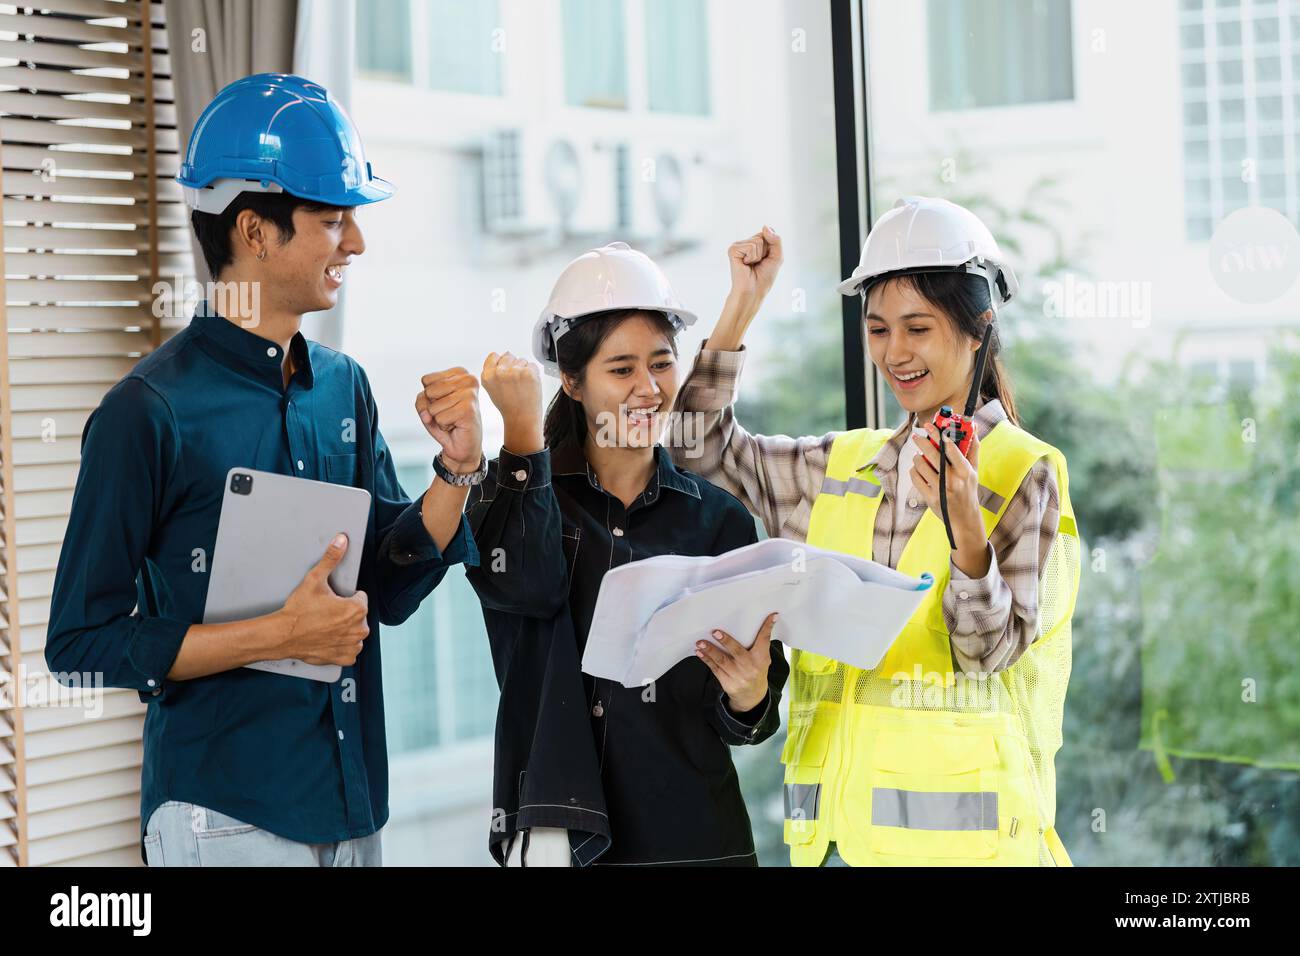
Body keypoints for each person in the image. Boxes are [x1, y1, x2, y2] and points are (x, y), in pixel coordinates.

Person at [46, 74, 484, 866]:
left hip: (351, 806)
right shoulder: (146, 411)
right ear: (254, 230)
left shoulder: (342, 387)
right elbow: (81, 642)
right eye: (331, 219)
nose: (355, 243)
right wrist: (278, 635)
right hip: (225, 816)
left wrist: (456, 471)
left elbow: (385, 587)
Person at [669, 199, 1081, 866]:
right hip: (833, 846)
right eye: (879, 329)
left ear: (978, 329)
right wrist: (742, 303)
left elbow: (986, 655)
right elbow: (694, 447)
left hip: (967, 854)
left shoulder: (1022, 473)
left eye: (917, 327)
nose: (895, 353)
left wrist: (966, 534)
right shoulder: (840, 467)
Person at [465, 242, 790, 866]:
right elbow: (526, 589)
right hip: (564, 841)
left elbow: (750, 717)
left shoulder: (716, 519)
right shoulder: (516, 500)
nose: (649, 389)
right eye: (621, 370)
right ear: (571, 379)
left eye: (662, 364)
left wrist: (748, 694)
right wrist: (522, 439)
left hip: (698, 843)